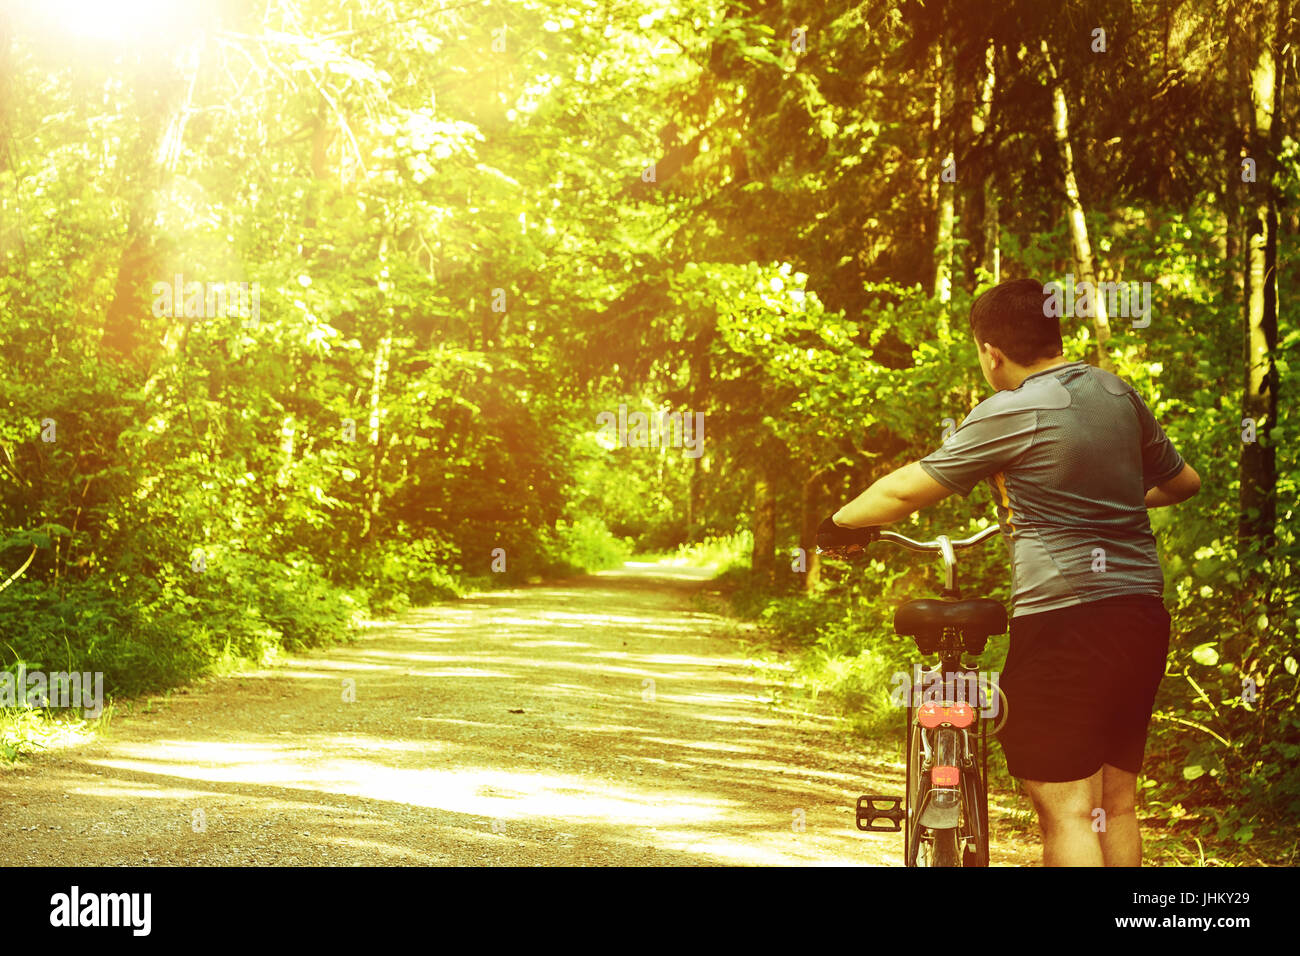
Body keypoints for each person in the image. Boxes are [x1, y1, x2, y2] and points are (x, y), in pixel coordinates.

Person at [817, 277, 1200, 867]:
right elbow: (1183, 483)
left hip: (1068, 625)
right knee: (1115, 807)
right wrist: (1109, 498)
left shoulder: (1015, 408)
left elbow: (901, 493)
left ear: (991, 352)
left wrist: (837, 528)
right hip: (1141, 618)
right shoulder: (1116, 393)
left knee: (1070, 810)